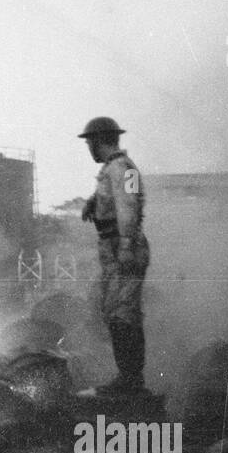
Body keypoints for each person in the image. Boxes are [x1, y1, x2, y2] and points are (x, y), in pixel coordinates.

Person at [74, 117, 151, 398]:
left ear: (98, 141)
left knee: (123, 315)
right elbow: (112, 196)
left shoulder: (122, 169)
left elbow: (128, 205)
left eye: (90, 143)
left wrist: (128, 245)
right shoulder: (112, 169)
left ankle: (130, 380)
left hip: (123, 247)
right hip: (113, 248)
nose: (89, 149)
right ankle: (127, 377)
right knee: (114, 312)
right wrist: (94, 200)